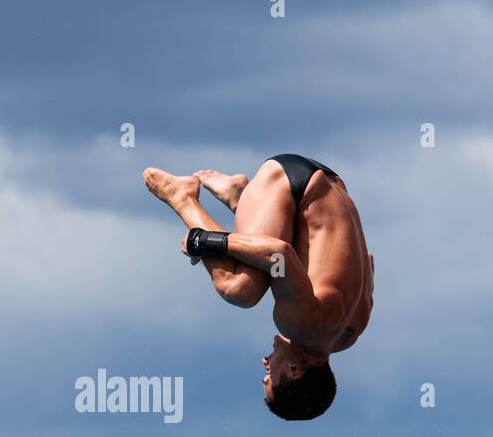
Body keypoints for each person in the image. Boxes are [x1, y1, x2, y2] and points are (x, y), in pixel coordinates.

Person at [143, 154, 373, 421]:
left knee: (273, 275)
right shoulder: (302, 326)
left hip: (329, 182)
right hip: (288, 180)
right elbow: (280, 255)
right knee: (240, 290)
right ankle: (181, 196)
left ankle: (240, 199)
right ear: (295, 370)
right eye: (268, 377)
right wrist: (205, 241)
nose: (265, 364)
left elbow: (365, 262)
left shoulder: (347, 334)